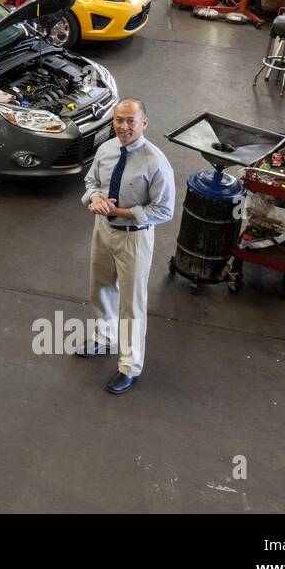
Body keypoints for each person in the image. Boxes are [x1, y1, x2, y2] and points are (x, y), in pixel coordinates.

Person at [77, 98, 176, 395]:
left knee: (132, 304)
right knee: (100, 286)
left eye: (131, 121)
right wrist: (94, 199)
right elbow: (91, 181)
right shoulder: (106, 150)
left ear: (144, 123)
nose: (124, 126)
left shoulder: (155, 162)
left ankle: (129, 366)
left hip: (135, 236)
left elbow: (165, 209)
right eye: (119, 120)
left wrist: (119, 212)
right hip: (103, 230)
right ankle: (103, 337)